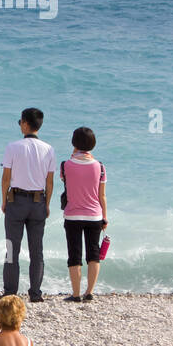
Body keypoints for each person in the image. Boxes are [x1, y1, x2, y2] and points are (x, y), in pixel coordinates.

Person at [1, 107, 55, 303]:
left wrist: (3, 200)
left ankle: (10, 293)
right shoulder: (49, 149)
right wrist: (47, 203)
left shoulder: (13, 147)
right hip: (38, 201)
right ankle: (35, 293)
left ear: (25, 123)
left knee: (11, 249)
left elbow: (6, 178)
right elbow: (50, 182)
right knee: (36, 250)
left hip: (16, 200)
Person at [60, 127, 108, 302]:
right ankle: (89, 292)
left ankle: (75, 294)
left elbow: (65, 180)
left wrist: (74, 155)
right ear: (92, 145)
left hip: (72, 215)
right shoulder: (100, 167)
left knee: (74, 255)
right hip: (94, 215)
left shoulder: (65, 165)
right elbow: (101, 195)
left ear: (74, 143)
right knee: (93, 255)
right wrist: (105, 217)